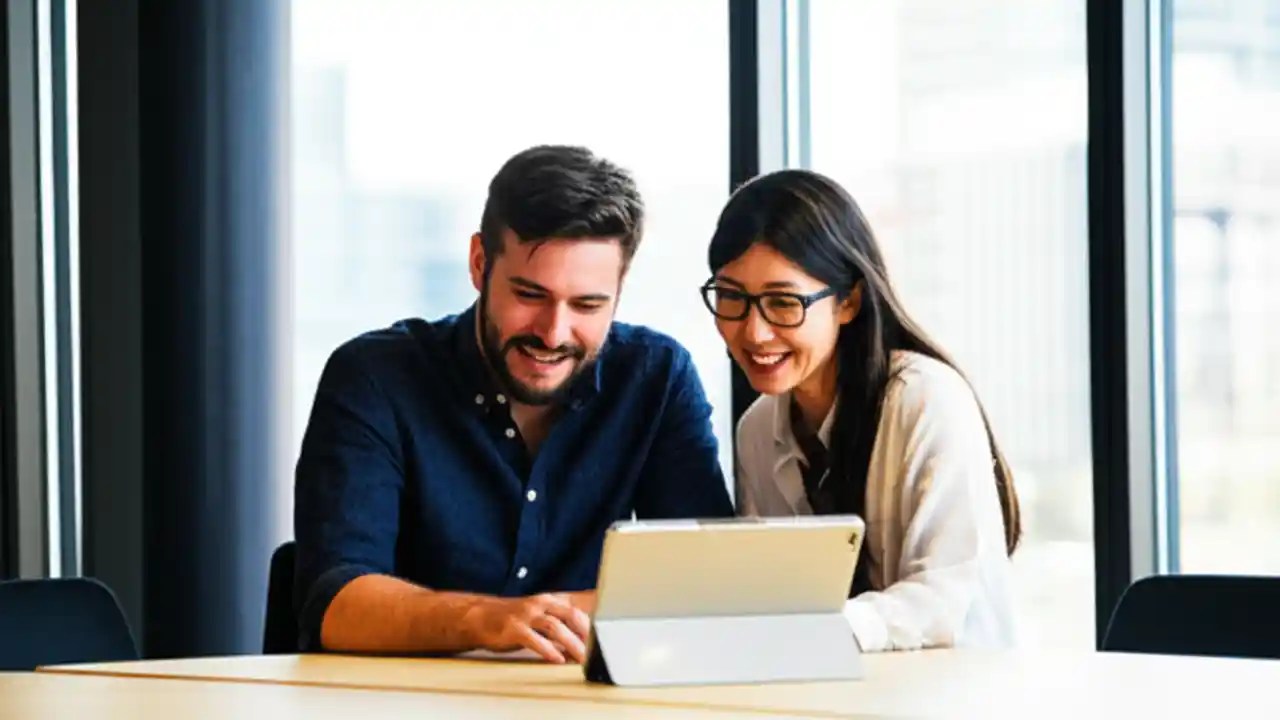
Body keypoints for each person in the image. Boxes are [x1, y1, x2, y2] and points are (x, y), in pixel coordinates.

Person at [295, 145, 733, 663]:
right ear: (480, 264)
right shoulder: (374, 378)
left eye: (587, 305)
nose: (553, 333)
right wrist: (489, 619)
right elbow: (337, 605)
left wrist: (538, 616)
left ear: (619, 290)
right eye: (530, 295)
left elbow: (707, 589)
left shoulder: (656, 377)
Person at [702, 169, 1020, 652]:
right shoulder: (758, 429)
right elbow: (769, 598)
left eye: (783, 303)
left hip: (953, 693)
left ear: (848, 300)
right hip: (834, 692)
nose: (754, 332)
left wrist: (813, 630)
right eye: (731, 298)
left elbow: (943, 598)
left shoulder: (924, 398)